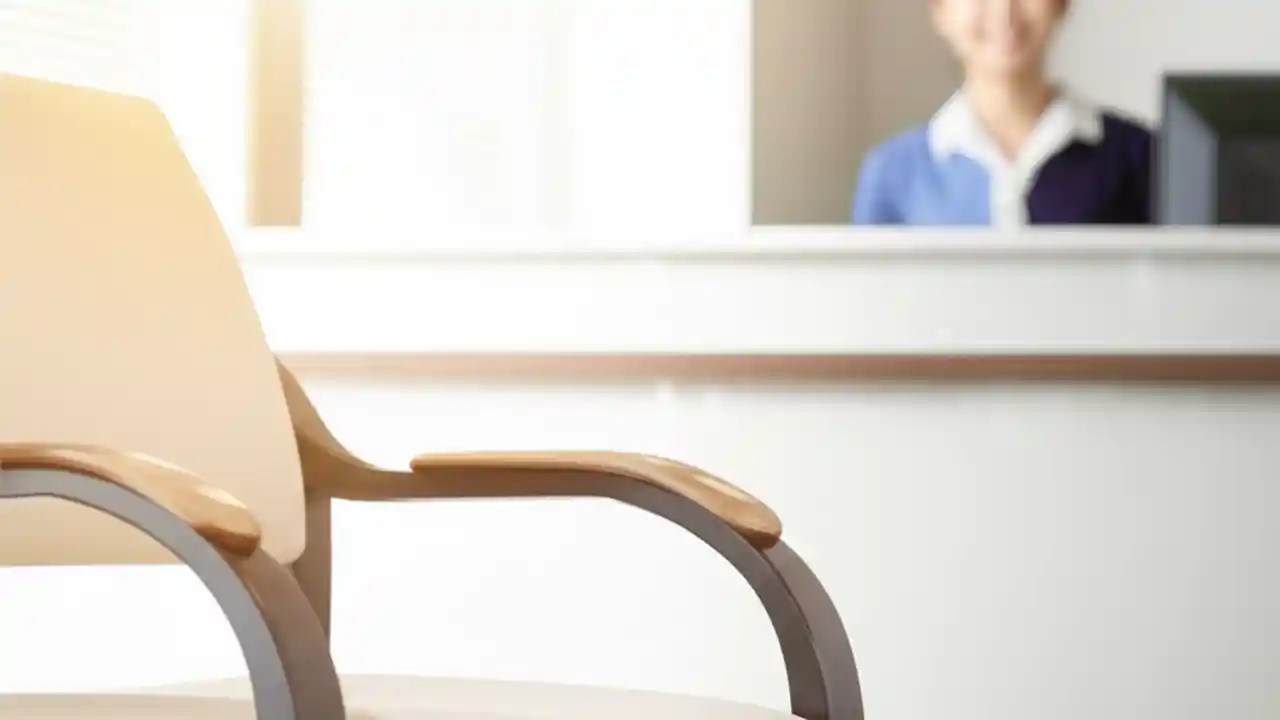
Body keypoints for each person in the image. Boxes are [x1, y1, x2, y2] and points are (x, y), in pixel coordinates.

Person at [851, 0, 1152, 227]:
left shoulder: (1141, 156)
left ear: (1062, 4)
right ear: (940, 10)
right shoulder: (892, 172)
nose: (1004, 10)